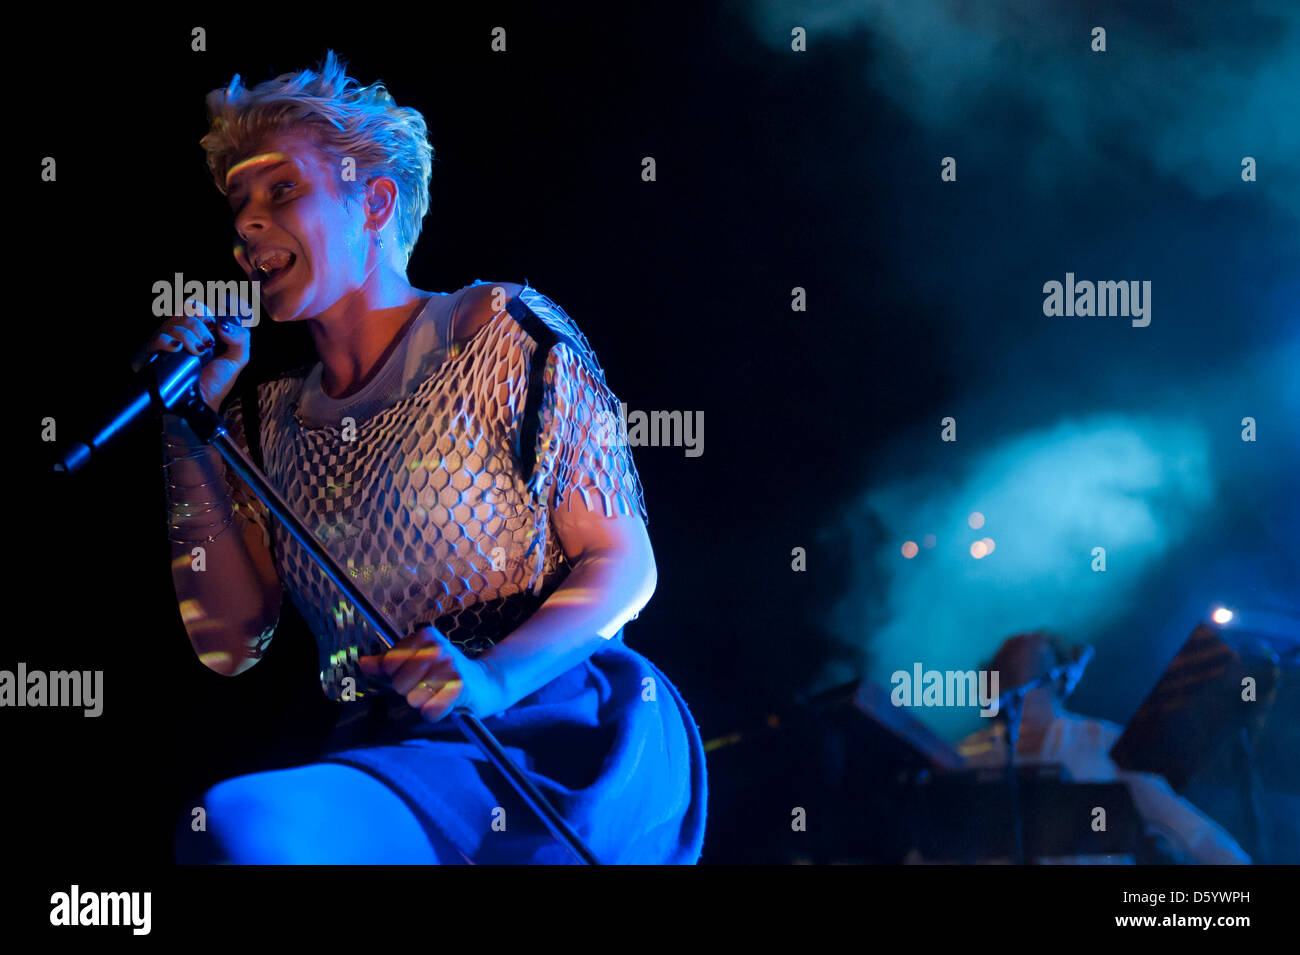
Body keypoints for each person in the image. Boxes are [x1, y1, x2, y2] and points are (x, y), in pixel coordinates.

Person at [158, 51, 706, 864]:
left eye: (281, 192)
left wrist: (487, 680)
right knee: (234, 835)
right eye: (238, 203)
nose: (244, 224)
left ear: (373, 202)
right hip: (400, 750)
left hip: (550, 731)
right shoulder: (265, 419)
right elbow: (230, 641)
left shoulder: (491, 328)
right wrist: (185, 432)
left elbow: (626, 564)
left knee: (246, 825)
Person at [956, 631, 1249, 864]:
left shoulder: (1104, 740)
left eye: (1036, 672)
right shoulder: (967, 757)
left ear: (1059, 681)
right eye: (1013, 674)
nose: (1025, 682)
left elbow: (1181, 824)